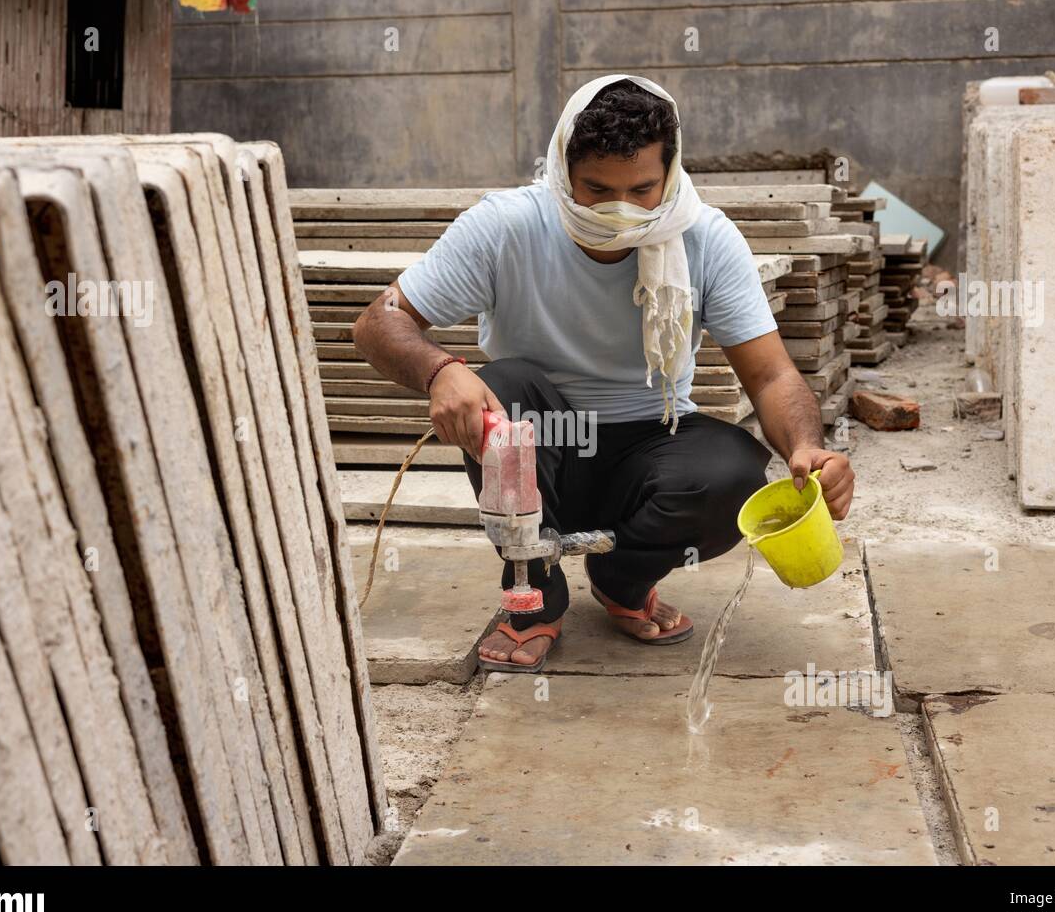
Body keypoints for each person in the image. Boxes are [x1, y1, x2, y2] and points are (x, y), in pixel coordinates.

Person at [354, 74, 855, 673]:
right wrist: (439, 371)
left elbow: (771, 377)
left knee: (734, 473)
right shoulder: (508, 226)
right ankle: (535, 598)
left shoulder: (705, 238)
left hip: (650, 441)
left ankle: (621, 577)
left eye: (642, 189)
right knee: (506, 391)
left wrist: (810, 448)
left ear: (671, 172)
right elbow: (378, 323)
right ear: (562, 167)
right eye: (596, 189)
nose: (620, 210)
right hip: (544, 440)